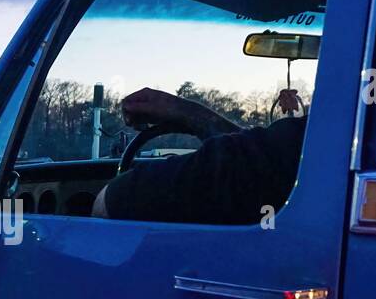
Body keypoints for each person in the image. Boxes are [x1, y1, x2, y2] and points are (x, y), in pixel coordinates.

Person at [93, 86, 306, 225]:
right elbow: (260, 159)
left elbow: (108, 203)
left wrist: (117, 191)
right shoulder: (323, 150)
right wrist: (189, 114)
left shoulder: (289, 157)